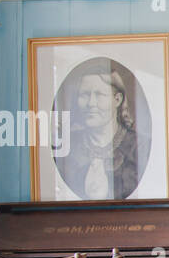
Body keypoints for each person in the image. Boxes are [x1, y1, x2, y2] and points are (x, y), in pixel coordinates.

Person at [55, 64, 146, 199]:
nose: (91, 103)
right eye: (84, 95)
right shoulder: (66, 146)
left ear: (117, 99)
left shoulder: (140, 146)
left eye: (99, 95)